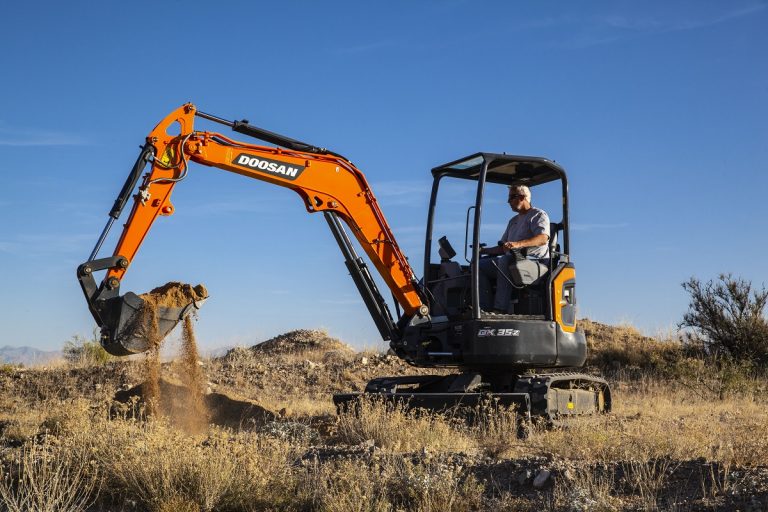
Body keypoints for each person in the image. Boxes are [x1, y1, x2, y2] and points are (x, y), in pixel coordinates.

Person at [478, 185, 550, 313]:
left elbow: (542, 238)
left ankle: (500, 309)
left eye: (511, 197)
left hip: (535, 261)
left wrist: (517, 244)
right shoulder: (513, 221)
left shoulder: (538, 215)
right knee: (479, 265)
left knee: (505, 260)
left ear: (522, 197)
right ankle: (483, 308)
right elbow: (503, 247)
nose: (508, 202)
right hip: (513, 258)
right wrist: (483, 251)